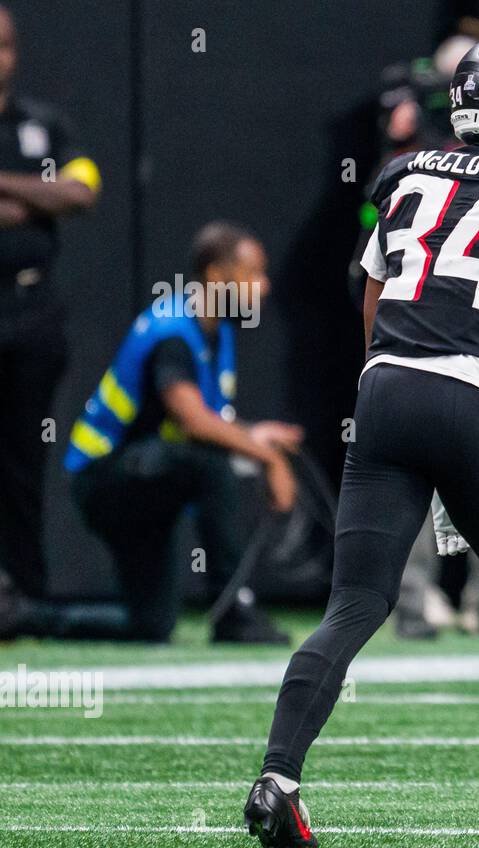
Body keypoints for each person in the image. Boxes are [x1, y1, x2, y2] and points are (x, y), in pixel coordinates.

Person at [243, 31, 479, 847]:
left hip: (384, 390)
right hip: (477, 397)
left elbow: (372, 300)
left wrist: (401, 391)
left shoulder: (406, 168)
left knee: (353, 605)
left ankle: (277, 776)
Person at [0, 223, 298, 644]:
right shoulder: (173, 331)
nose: (263, 288)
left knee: (151, 625)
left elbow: (194, 421)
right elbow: (194, 423)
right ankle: (234, 610)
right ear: (216, 275)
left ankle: (22, 615)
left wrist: (255, 434)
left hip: (142, 477)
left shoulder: (217, 330)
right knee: (209, 461)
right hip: (106, 478)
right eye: (253, 275)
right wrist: (267, 458)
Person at [0, 3, 101, 600]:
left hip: (32, 316)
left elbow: (81, 191)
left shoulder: (44, 124)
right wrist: (35, 200)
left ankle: (26, 594)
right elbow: (51, 197)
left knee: (22, 460)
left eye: (7, 45)